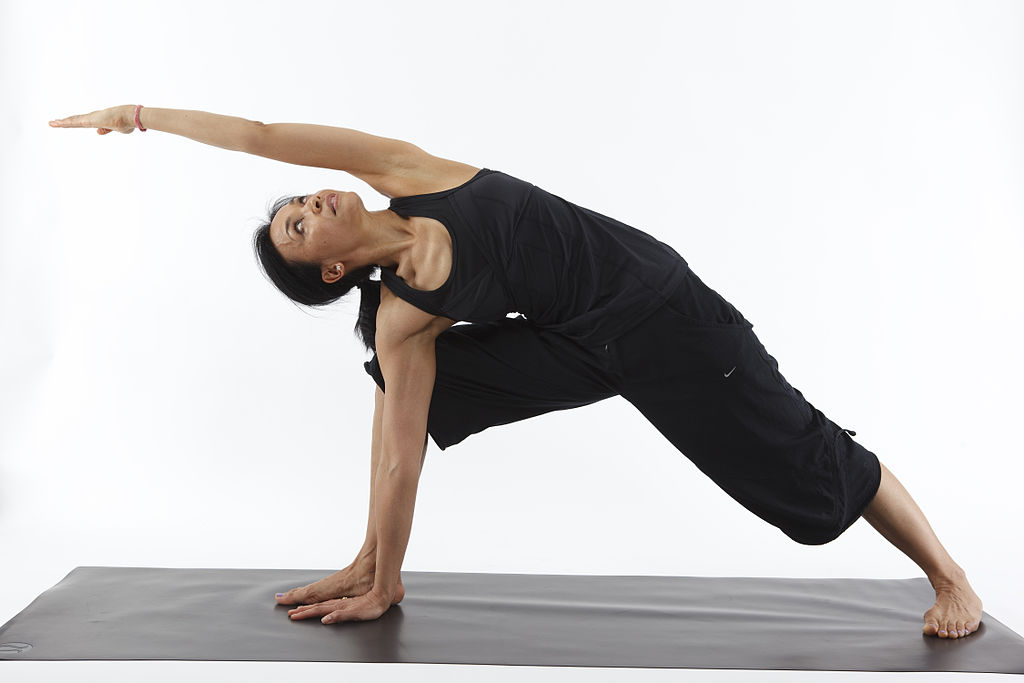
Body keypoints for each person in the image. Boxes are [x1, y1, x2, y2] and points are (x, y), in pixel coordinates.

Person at [49, 105, 983, 638]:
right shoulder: (402, 315)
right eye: (300, 224)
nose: (310, 199)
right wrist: (385, 575)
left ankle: (951, 577)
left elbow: (258, 134)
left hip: (658, 310)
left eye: (299, 200)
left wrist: (141, 117)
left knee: (798, 460)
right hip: (581, 341)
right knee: (398, 377)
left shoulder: (405, 169)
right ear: (329, 268)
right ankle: (374, 562)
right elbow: (399, 458)